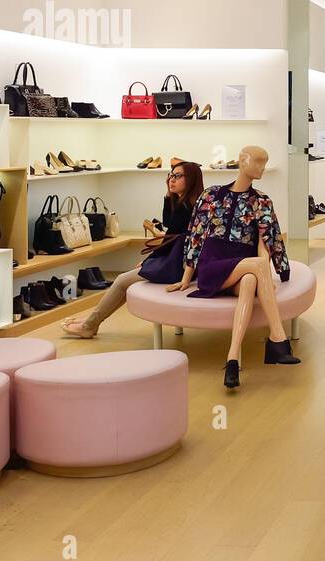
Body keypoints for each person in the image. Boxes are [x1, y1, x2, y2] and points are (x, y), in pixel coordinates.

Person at [168, 145, 299, 389]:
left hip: (243, 268)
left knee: (251, 281)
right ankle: (278, 339)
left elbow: (267, 242)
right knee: (256, 269)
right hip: (213, 264)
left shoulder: (261, 201)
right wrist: (187, 277)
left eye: (264, 162)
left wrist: (272, 272)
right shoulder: (212, 195)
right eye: (257, 161)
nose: (261, 167)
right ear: (242, 161)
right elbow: (196, 237)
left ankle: (232, 360)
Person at [61, 161, 205, 338]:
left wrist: (147, 262)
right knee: (125, 282)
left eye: (178, 176)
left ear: (190, 179)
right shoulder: (191, 204)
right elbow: (168, 224)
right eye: (170, 175)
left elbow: (168, 241)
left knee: (122, 280)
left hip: (175, 266)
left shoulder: (185, 208)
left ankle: (90, 325)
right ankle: (91, 321)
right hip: (182, 264)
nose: (171, 180)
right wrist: (169, 196)